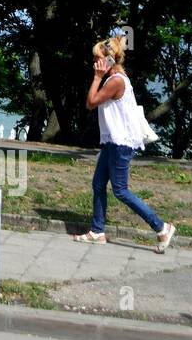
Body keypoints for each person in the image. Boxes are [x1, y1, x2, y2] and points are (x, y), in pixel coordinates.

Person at [73, 36, 176, 252]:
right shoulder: (117, 77)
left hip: (121, 144)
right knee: (98, 185)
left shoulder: (116, 81)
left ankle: (162, 227)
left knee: (121, 190)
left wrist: (96, 77)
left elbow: (90, 103)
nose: (95, 63)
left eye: (98, 58)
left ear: (110, 60)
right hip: (112, 141)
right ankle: (97, 231)